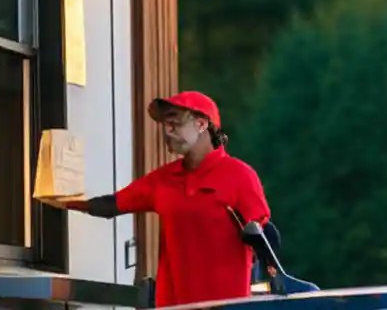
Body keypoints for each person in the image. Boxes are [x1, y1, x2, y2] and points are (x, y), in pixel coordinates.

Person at [64, 91, 271, 308]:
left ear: (201, 124)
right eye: (165, 125)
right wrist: (60, 201)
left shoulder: (240, 176)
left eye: (174, 123)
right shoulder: (163, 180)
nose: (167, 131)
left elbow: (264, 233)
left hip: (226, 306)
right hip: (173, 305)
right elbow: (111, 205)